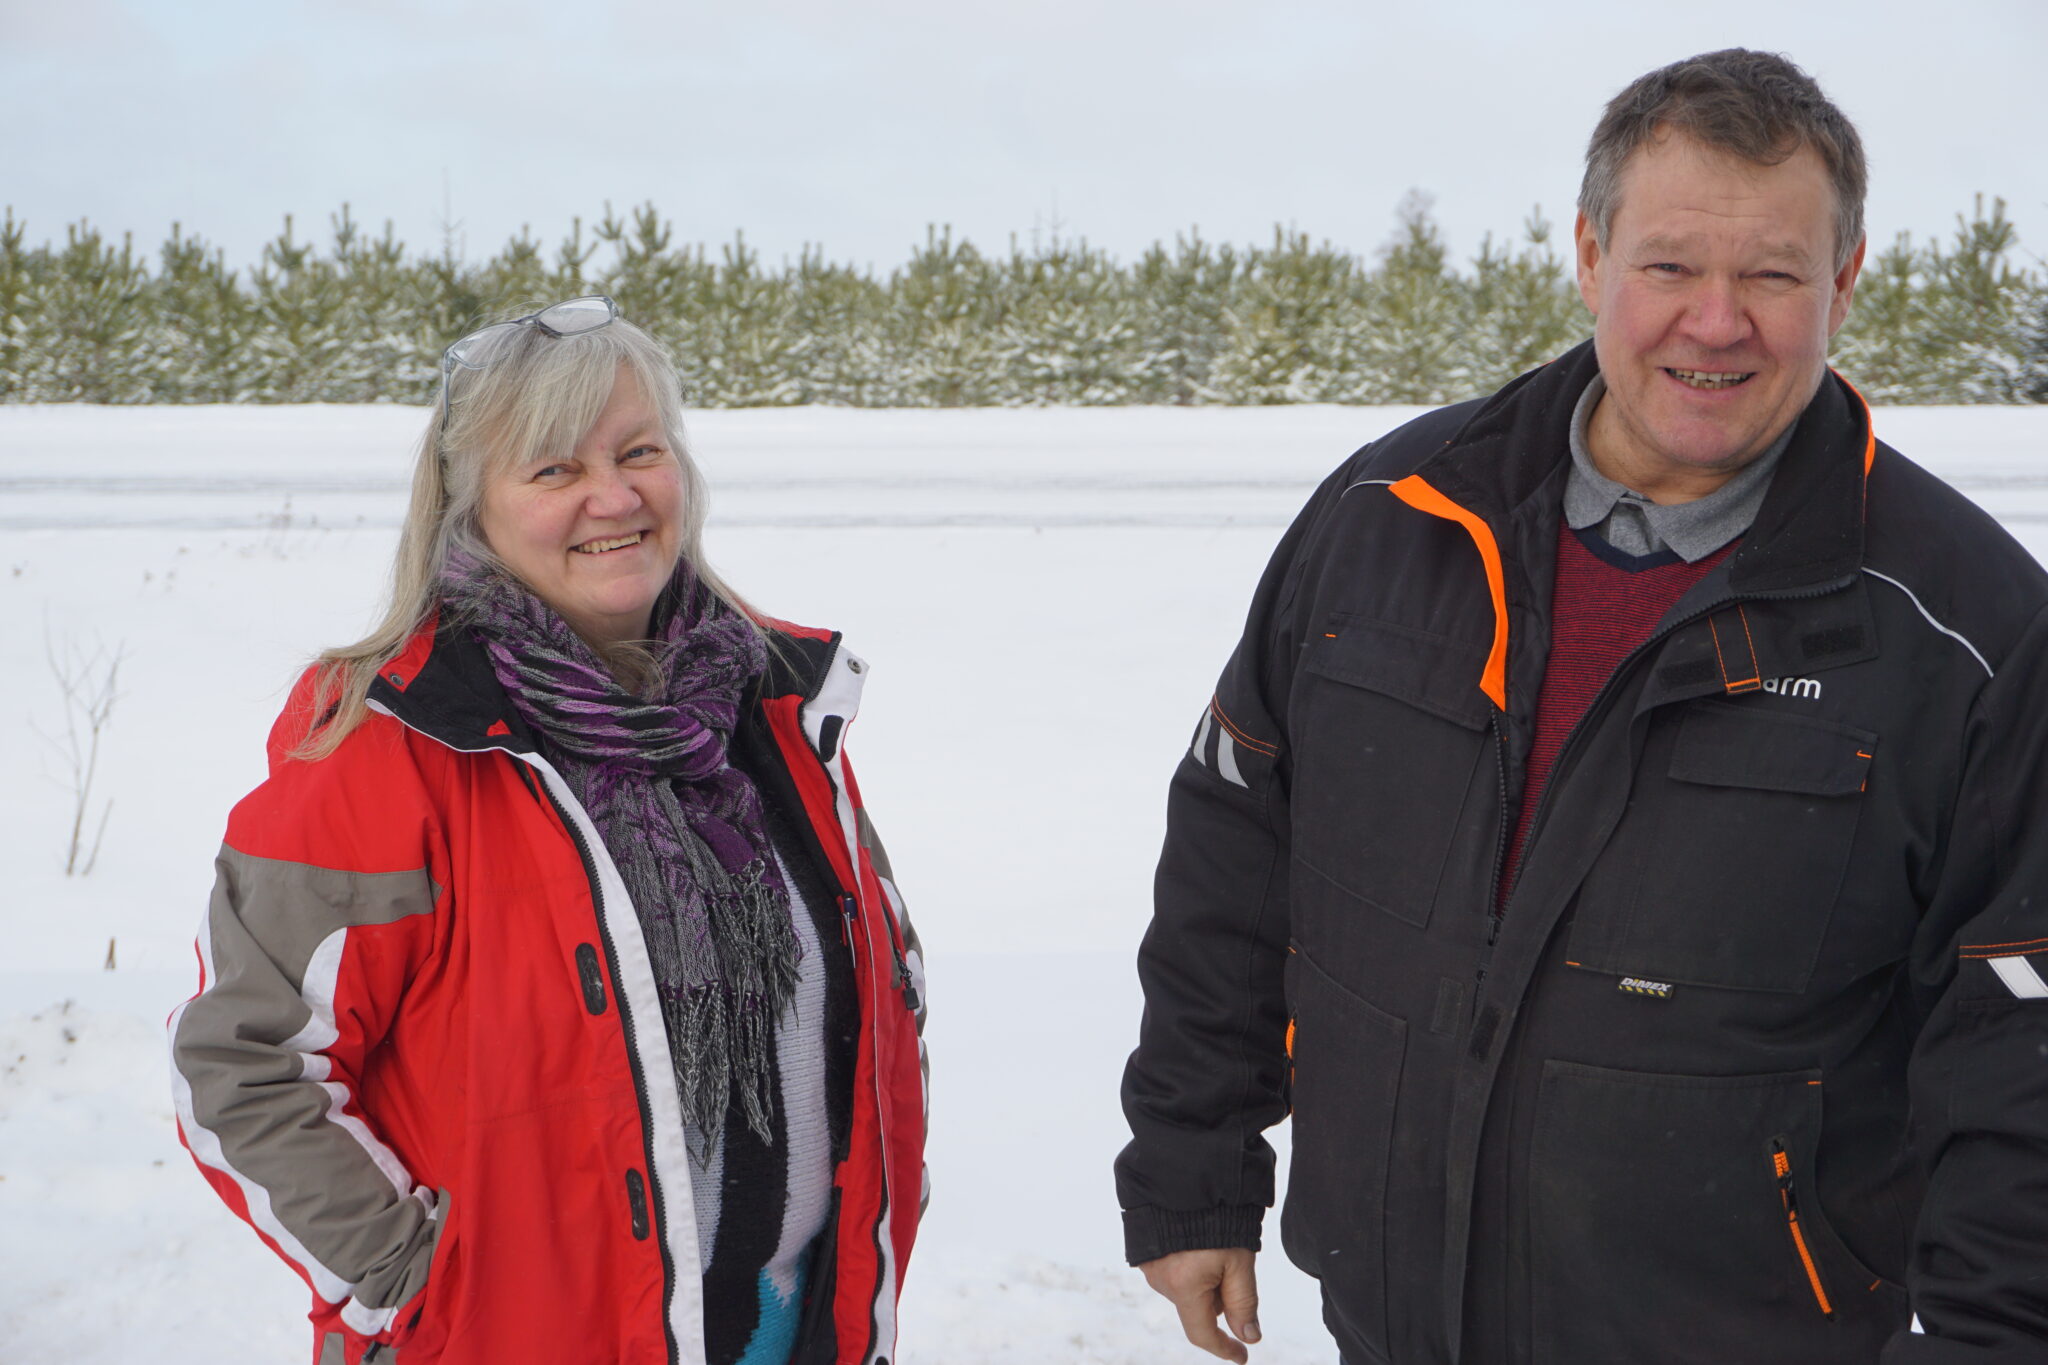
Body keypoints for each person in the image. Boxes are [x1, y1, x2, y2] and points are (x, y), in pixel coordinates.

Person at [1117, 49, 2048, 1365]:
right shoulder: (1390, 519)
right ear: (1589, 253)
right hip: (1398, 1316)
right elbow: (1235, 844)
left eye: (1772, 275)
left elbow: (2022, 1056)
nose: (1715, 322)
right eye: (1669, 266)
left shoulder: (1967, 631)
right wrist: (1192, 1159)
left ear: (1842, 282)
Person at [169, 298, 927, 1365]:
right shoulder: (386, 744)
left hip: (789, 1329)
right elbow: (241, 1064)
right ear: (468, 505)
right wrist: (416, 1284)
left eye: (638, 452)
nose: (612, 497)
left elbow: (883, 993)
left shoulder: (776, 717)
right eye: (553, 469)